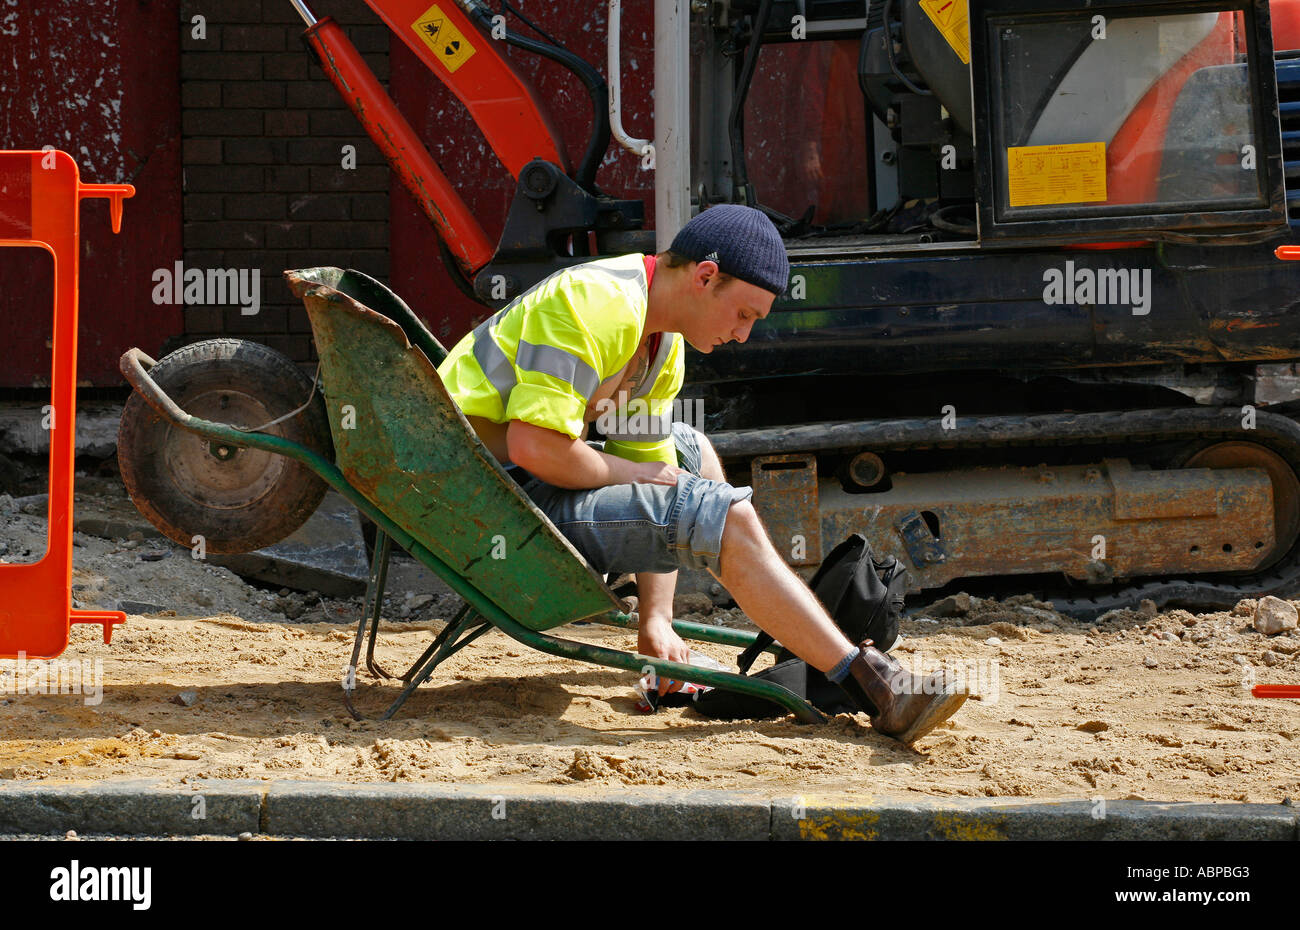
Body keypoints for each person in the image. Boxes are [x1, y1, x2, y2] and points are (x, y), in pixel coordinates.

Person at [436, 204, 968, 743]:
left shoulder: (661, 345)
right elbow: (534, 446)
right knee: (720, 508)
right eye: (744, 315)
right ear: (706, 277)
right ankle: (869, 681)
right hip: (477, 502)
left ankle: (792, 627)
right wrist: (637, 474)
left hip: (518, 482)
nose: (742, 335)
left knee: (692, 452)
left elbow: (658, 465)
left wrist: (656, 619)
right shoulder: (594, 302)